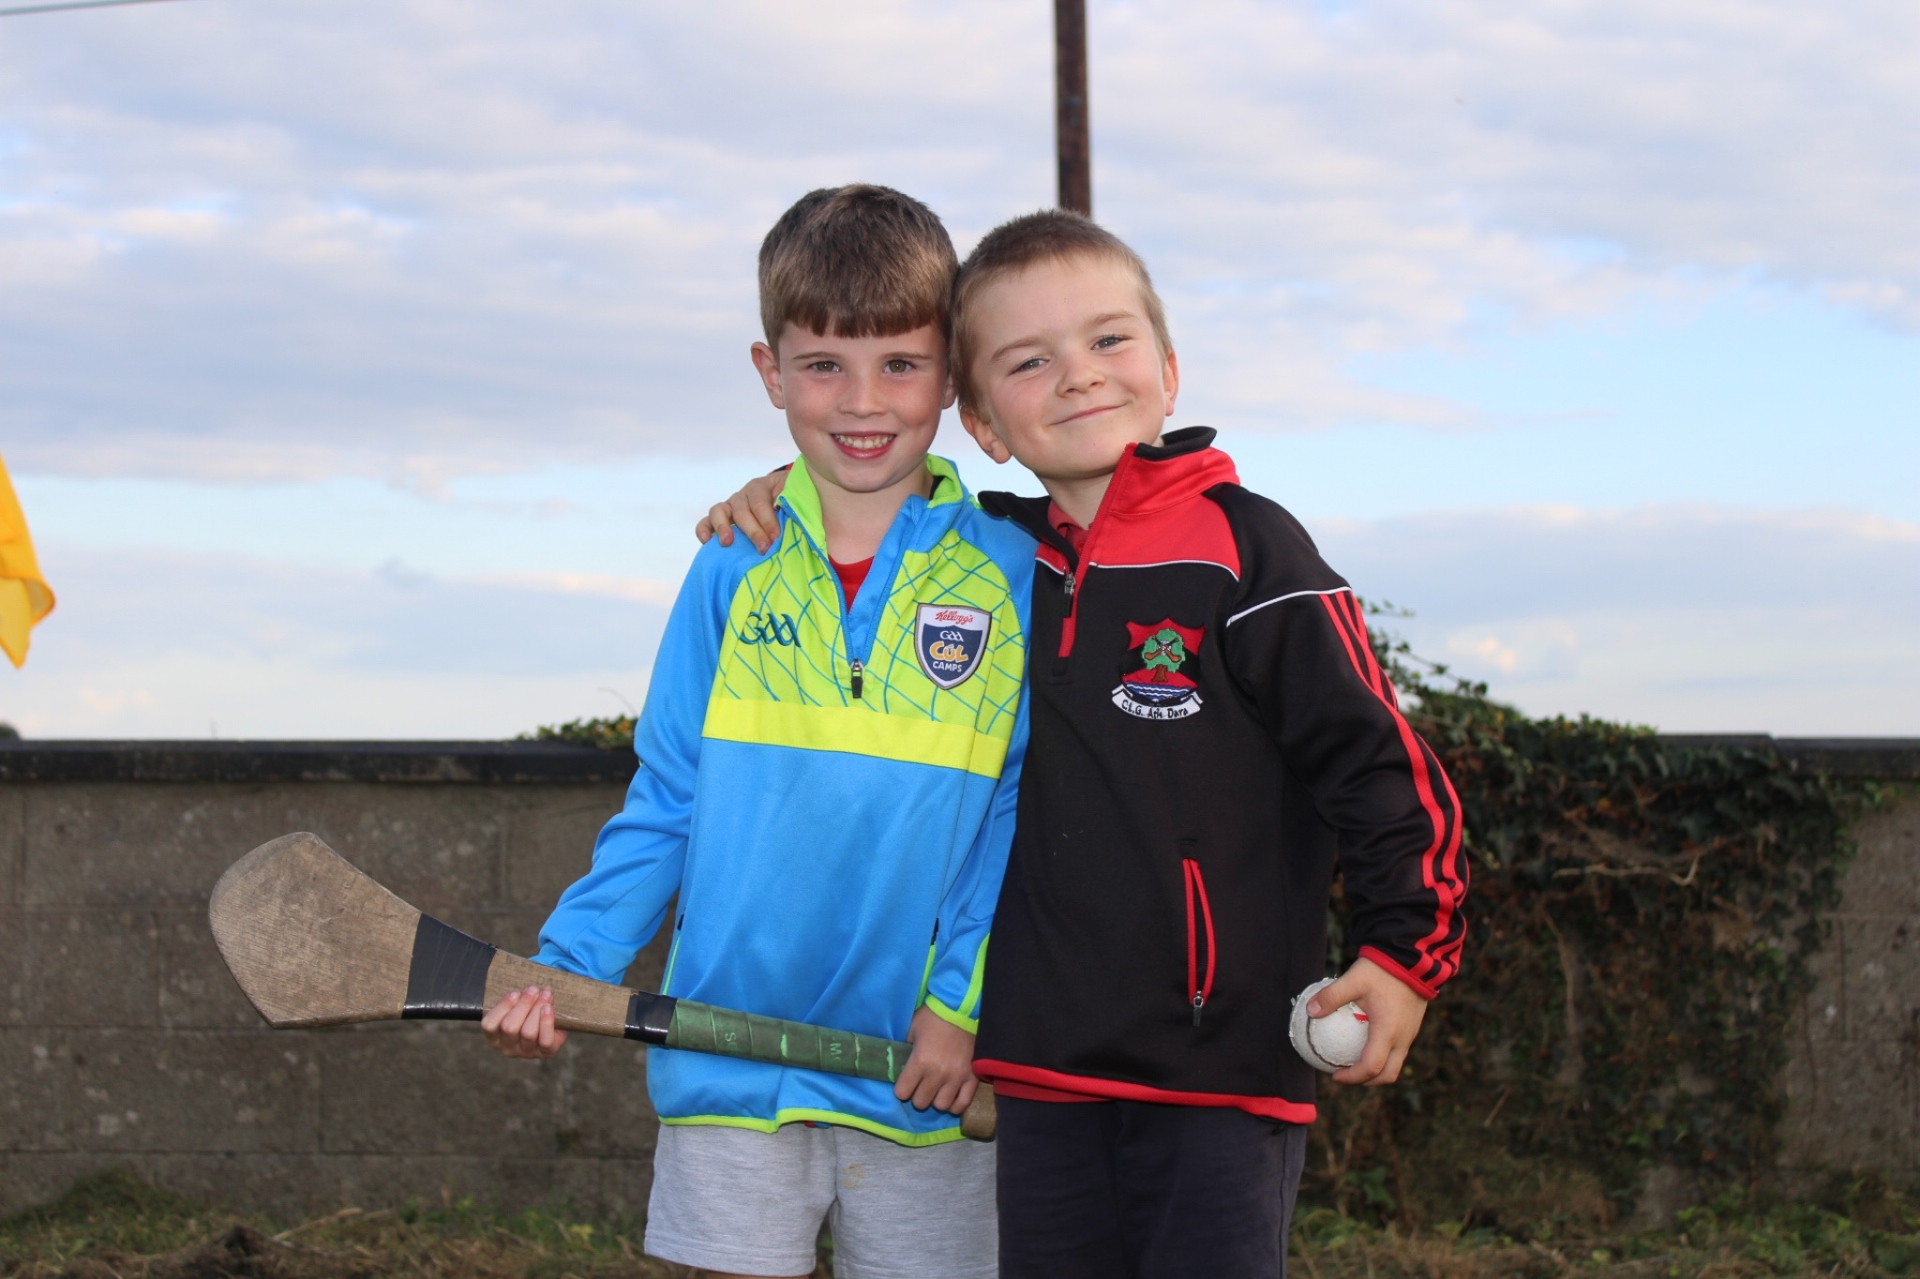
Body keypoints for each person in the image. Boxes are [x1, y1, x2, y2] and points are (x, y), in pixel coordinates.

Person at [699, 208, 1468, 1279]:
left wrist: (1403, 954)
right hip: (1040, 1077)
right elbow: (870, 505)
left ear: (1169, 369)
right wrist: (779, 493)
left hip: (1219, 1073)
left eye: (1108, 338)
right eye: (1028, 360)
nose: (1078, 374)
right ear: (983, 423)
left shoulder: (1251, 551)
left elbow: (1378, 765)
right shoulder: (997, 564)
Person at [484, 184, 1034, 1279]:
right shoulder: (731, 567)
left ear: (952, 374)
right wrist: (569, 965)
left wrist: (960, 1006)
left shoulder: (1015, 574)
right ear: (770, 371)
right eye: (823, 364)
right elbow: (667, 799)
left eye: (901, 363)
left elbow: (1018, 823)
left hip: (922, 1070)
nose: (862, 400)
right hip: (725, 1062)